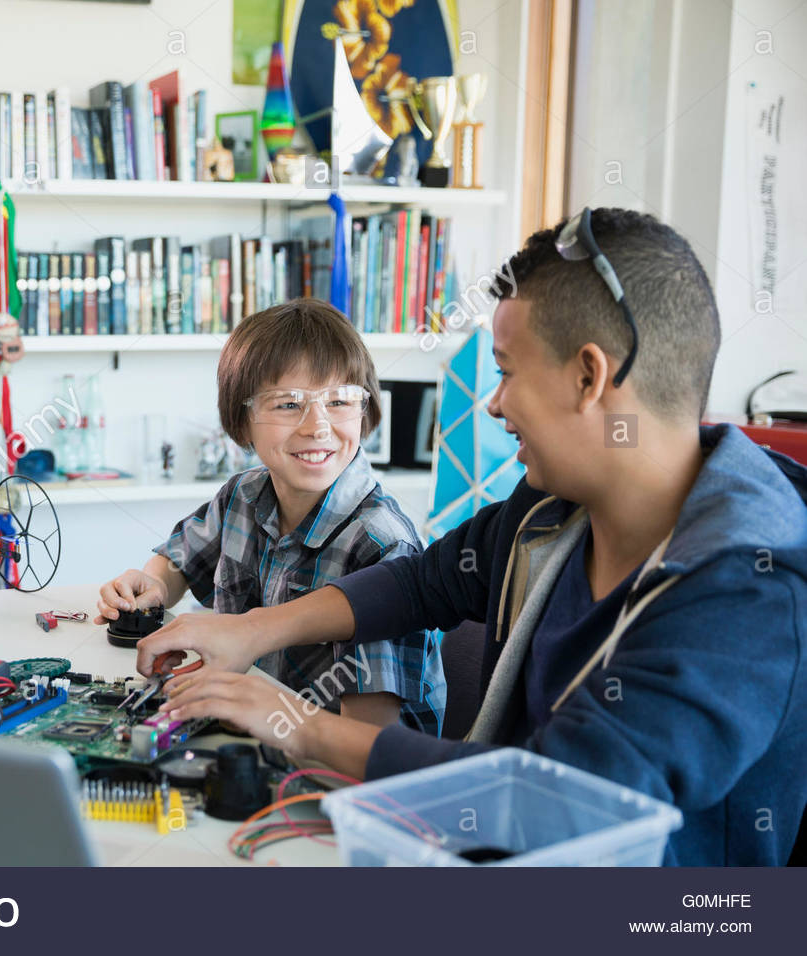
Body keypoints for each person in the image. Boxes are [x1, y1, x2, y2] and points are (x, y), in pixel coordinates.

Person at [139, 209, 807, 866]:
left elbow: (556, 800)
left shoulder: (745, 589)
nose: (493, 403)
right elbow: (421, 584)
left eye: (507, 371)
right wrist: (254, 630)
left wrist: (300, 725)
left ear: (589, 377)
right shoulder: (554, 505)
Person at [97, 299, 444, 733]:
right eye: (287, 404)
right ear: (242, 423)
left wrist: (250, 708)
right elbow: (177, 563)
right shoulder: (243, 495)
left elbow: (369, 741)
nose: (317, 426)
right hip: (246, 736)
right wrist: (152, 586)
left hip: (334, 772)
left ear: (366, 409)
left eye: (339, 401)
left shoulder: (382, 544)